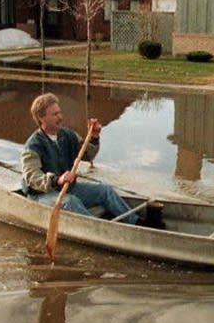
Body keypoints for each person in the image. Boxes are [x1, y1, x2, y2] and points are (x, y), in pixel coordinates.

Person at [21, 92, 141, 224]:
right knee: (71, 202)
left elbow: (88, 155)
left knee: (104, 190)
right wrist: (56, 180)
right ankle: (99, 230)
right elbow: (32, 177)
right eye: (55, 114)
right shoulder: (33, 145)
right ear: (41, 118)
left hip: (68, 189)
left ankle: (137, 223)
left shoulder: (67, 135)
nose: (60, 117)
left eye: (60, 112)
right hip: (42, 195)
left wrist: (94, 137)